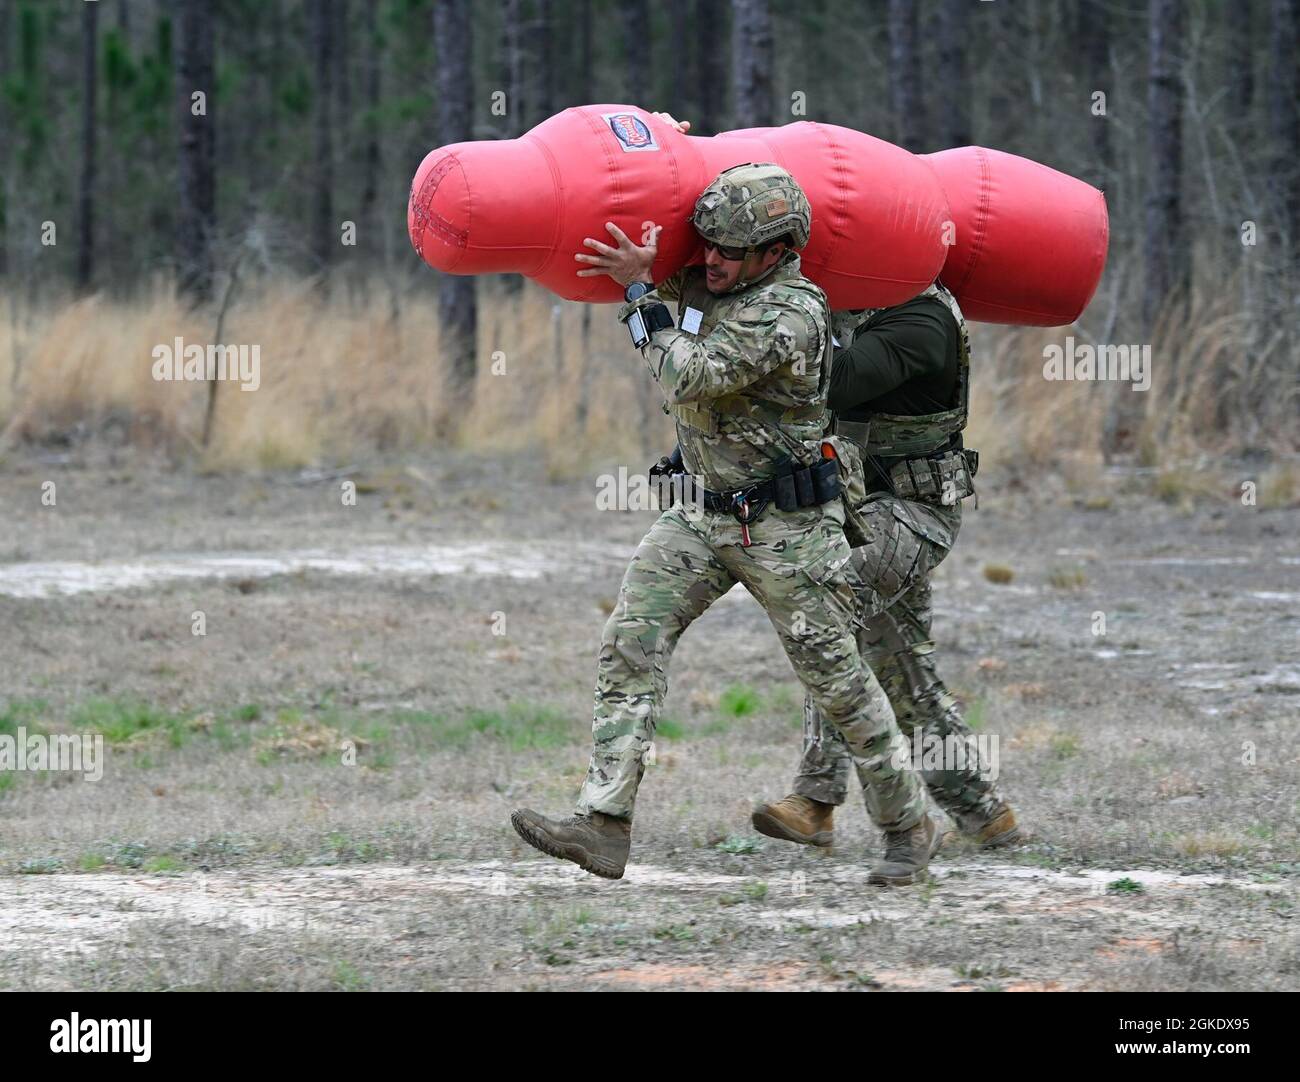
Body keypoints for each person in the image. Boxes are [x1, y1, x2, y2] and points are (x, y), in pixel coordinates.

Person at [511, 163, 940, 886]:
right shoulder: (712, 283)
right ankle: (604, 822)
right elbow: (669, 279)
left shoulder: (793, 312)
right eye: (707, 244)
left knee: (837, 681)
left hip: (790, 529)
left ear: (775, 251)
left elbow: (691, 373)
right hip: (702, 516)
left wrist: (640, 294)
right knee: (631, 639)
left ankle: (906, 825)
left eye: (729, 250)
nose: (711, 259)